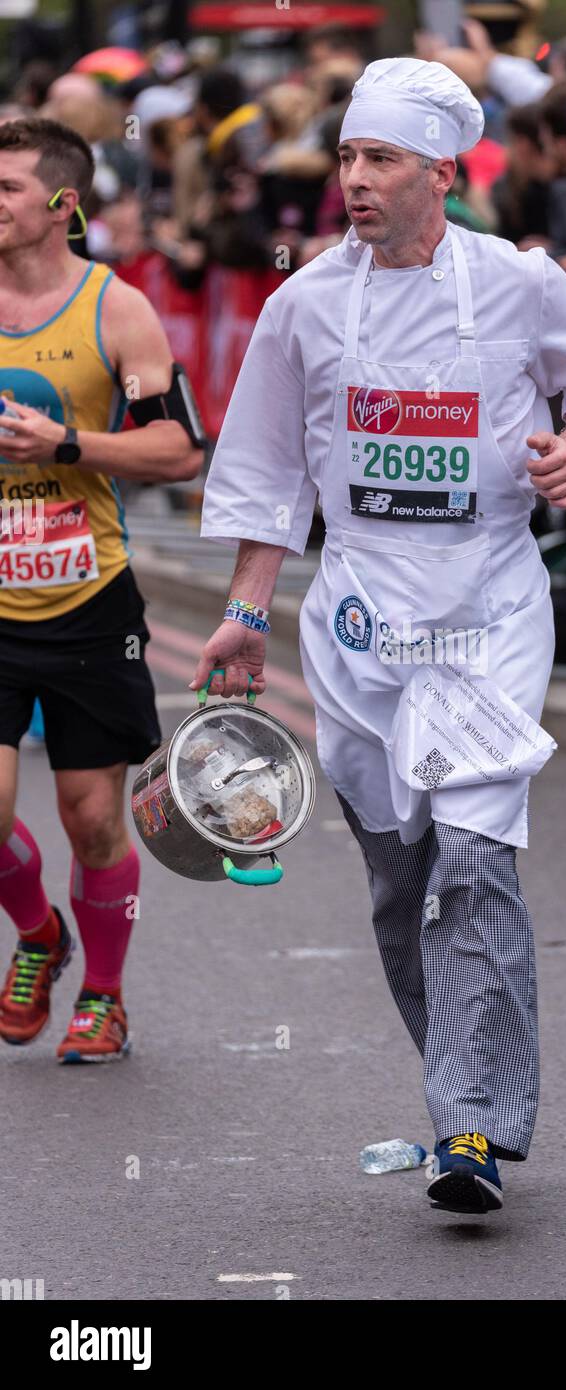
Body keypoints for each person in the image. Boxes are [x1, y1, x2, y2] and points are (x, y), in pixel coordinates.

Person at [192, 57, 566, 1215]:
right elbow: (265, 473)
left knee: (476, 860)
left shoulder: (519, 283)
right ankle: (464, 1095)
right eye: (346, 156)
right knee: (404, 883)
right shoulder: (302, 306)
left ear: (441, 171)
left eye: (379, 158)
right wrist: (248, 615)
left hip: (487, 602)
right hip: (356, 620)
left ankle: (472, 1128)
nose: (354, 179)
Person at [0, 117, 204, 1061]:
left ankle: (106, 994)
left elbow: (176, 449)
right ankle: (40, 935)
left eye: (7, 189)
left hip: (88, 599)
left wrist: (67, 445)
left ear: (62, 203)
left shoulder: (114, 310)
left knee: (90, 819)